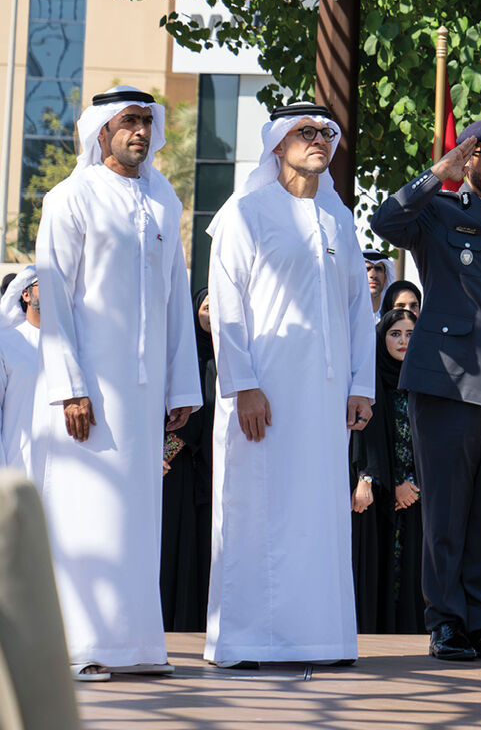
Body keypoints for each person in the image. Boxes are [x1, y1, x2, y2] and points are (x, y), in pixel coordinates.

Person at [368, 118, 481, 663]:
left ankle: (478, 622)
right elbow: (385, 221)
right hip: (447, 380)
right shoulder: (439, 211)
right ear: (467, 159)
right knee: (447, 511)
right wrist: (435, 174)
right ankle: (445, 622)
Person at [35, 87, 202, 681]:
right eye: (128, 121)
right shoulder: (69, 197)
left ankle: (134, 647)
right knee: (87, 513)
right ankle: (78, 648)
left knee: (135, 519)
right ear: (101, 130)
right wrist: (70, 388)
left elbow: (176, 300)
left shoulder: (163, 200)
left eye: (147, 122)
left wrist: (180, 386)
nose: (140, 131)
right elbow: (56, 299)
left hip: (143, 391)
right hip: (85, 391)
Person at [204, 104, 377, 668]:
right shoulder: (246, 213)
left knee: (319, 515)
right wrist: (244, 383)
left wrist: (361, 384)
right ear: (278, 144)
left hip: (325, 399)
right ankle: (247, 642)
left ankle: (319, 639)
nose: (319, 141)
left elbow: (359, 309)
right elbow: (226, 306)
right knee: (258, 509)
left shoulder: (338, 217)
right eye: (306, 133)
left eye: (327, 133)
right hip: (265, 395)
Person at [350, 307, 423, 634]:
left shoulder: (427, 378)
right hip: (379, 493)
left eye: (410, 334)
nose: (403, 341)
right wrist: (379, 479)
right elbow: (364, 436)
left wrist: (413, 484)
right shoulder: (372, 381)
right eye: (395, 334)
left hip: (417, 495)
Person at [161, 285, 214, 635]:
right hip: (178, 468)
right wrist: (165, 453)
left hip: (216, 469)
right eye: (206, 307)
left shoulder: (236, 358)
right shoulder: (183, 359)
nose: (212, 314)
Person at [0, 272, 40, 475]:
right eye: (43, 284)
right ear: (25, 294)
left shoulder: (73, 344)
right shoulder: (7, 342)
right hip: (18, 467)